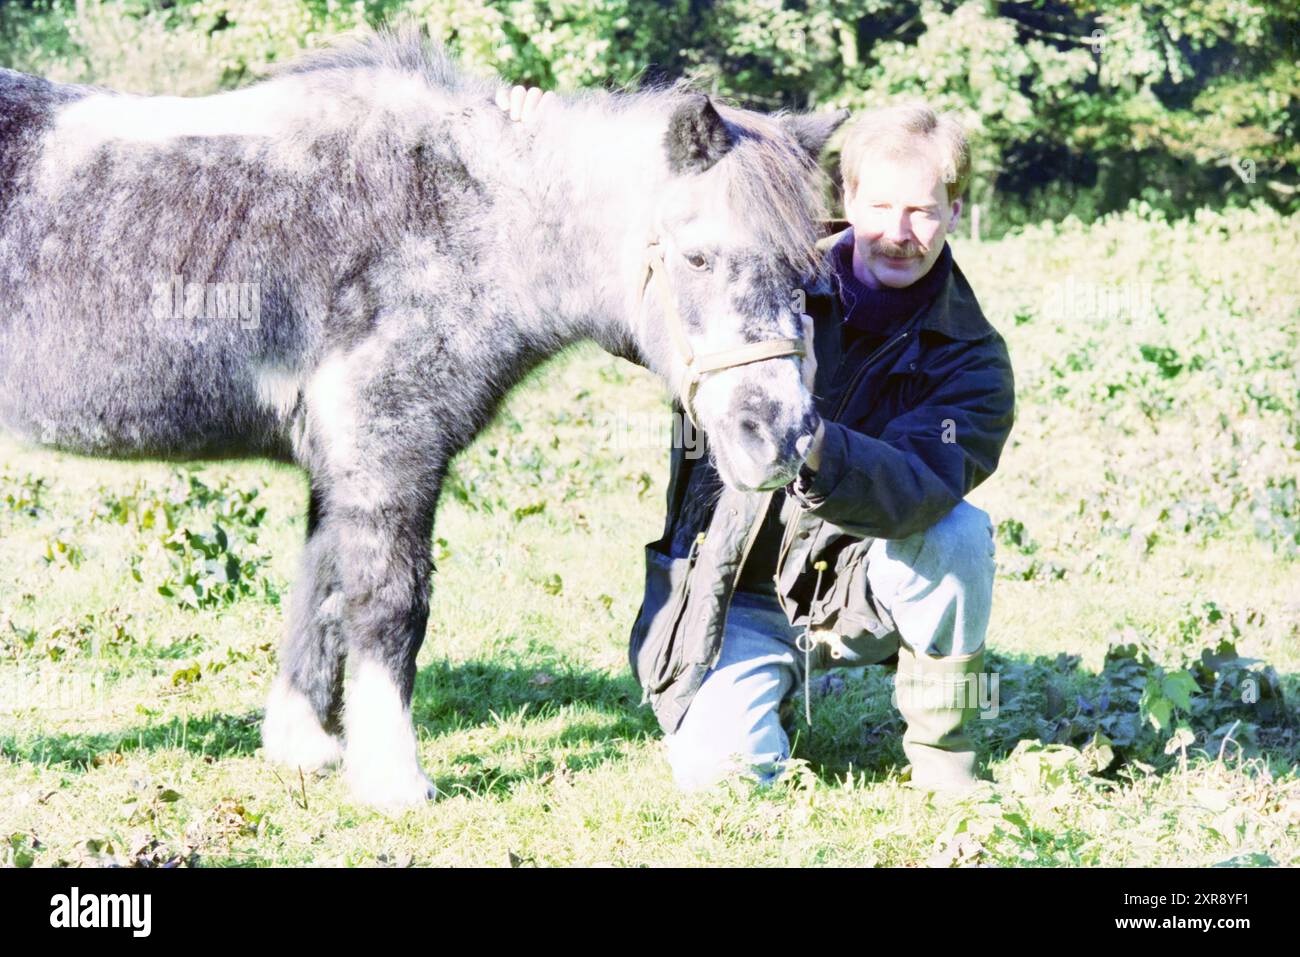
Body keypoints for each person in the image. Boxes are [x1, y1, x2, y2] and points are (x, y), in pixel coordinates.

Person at [497, 86, 1015, 793]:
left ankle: (943, 757)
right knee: (724, 779)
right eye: (883, 206)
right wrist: (544, 145)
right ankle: (756, 686)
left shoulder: (972, 358)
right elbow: (631, 298)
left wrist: (808, 443)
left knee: (956, 533)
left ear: (956, 210)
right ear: (849, 198)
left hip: (858, 588)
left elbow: (918, 486)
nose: (900, 231)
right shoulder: (760, 268)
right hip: (735, 587)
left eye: (924, 209)